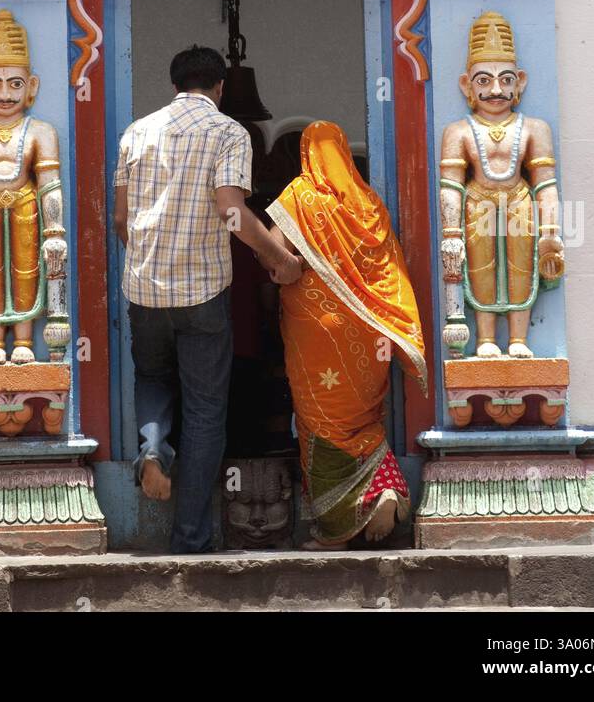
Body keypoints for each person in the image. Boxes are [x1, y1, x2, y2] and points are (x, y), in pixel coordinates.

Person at [113, 45, 302, 553]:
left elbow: (119, 219)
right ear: (219, 88)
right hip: (203, 294)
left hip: (144, 289)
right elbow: (232, 212)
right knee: (204, 410)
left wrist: (149, 261)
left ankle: (152, 449)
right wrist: (276, 260)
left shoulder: (137, 131)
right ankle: (190, 538)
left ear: (175, 84)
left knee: (152, 377)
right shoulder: (228, 132)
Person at [266, 121, 427, 549]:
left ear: (307, 156)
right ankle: (384, 487)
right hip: (368, 335)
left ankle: (336, 531)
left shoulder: (299, 195)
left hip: (315, 331)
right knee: (362, 421)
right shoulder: (369, 204)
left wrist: (285, 270)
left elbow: (273, 250)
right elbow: (389, 273)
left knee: (321, 425)